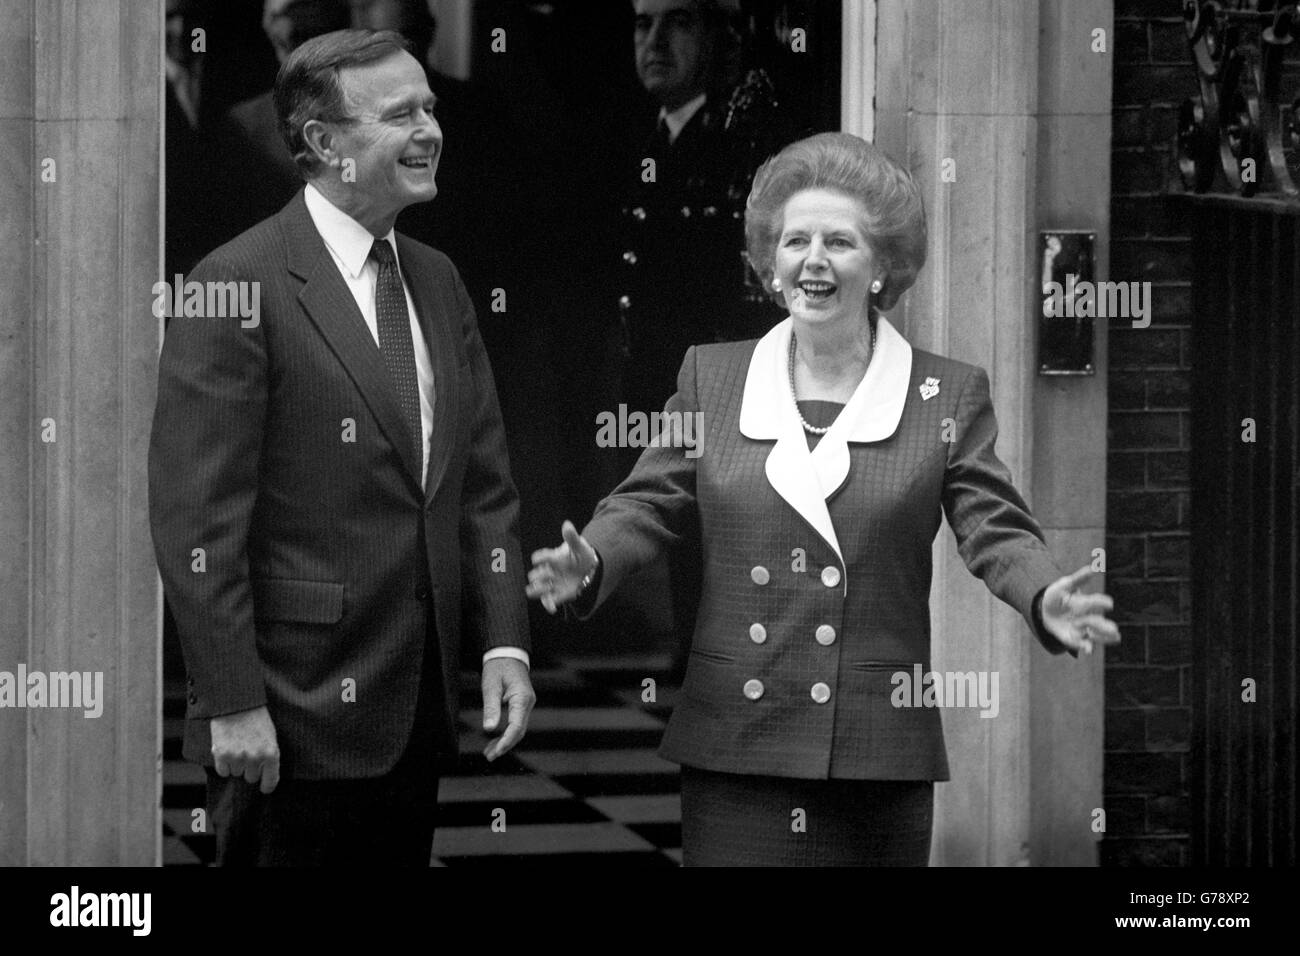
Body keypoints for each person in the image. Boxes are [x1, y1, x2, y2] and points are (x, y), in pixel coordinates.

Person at [528, 132, 1120, 866]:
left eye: (840, 242)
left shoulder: (945, 391)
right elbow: (646, 503)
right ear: (769, 265)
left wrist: (1042, 596)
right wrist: (592, 563)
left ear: (882, 268)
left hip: (876, 747)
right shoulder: (713, 378)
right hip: (737, 737)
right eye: (794, 240)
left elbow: (994, 528)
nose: (813, 260)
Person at [149, 28, 535, 867]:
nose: (431, 129)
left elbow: (483, 488)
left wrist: (504, 642)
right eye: (401, 114)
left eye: (429, 107)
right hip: (287, 721)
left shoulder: (437, 278)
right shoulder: (234, 284)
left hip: (416, 715)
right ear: (324, 145)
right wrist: (230, 700)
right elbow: (197, 524)